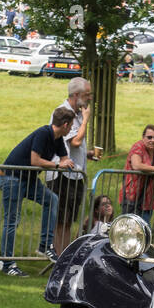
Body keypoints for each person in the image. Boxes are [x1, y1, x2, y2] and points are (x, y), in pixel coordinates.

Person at [0, 108, 75, 276]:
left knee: (52, 200)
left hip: (28, 179)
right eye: (71, 126)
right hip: (11, 178)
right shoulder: (43, 133)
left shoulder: (58, 138)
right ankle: (7, 264)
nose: (71, 130)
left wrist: (67, 162)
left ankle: (45, 246)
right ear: (66, 125)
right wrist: (57, 165)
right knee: (12, 220)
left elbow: (63, 159)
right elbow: (34, 161)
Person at [46, 77, 101, 257]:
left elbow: (71, 148)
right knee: (60, 220)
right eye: (87, 95)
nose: (90, 98)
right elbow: (75, 141)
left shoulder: (76, 113)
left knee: (69, 220)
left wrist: (88, 154)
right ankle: (58, 256)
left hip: (75, 175)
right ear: (76, 95)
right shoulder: (63, 112)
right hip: (62, 176)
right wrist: (85, 119)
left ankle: (64, 256)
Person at [120, 124, 154, 225]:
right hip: (132, 198)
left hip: (148, 200)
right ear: (143, 137)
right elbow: (136, 165)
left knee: (144, 229)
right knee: (130, 229)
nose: (152, 140)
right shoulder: (138, 147)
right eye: (149, 137)